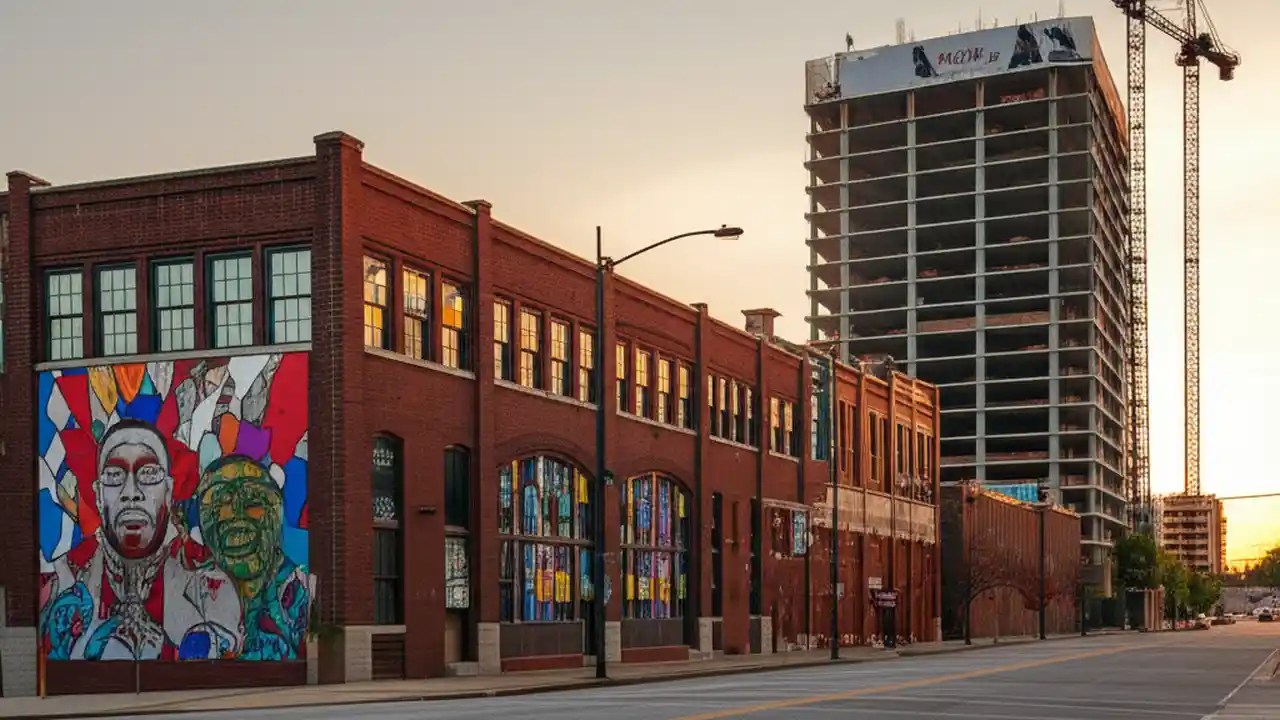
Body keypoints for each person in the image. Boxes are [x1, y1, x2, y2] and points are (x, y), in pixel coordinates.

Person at [41, 420, 244, 661]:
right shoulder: (64, 582)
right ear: (98, 496)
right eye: (115, 475)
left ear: (168, 492)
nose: (131, 493)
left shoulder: (207, 584)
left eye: (148, 474)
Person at [195, 455, 309, 660]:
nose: (236, 515)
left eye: (253, 501)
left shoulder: (299, 591)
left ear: (277, 513)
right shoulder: (191, 590)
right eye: (221, 502)